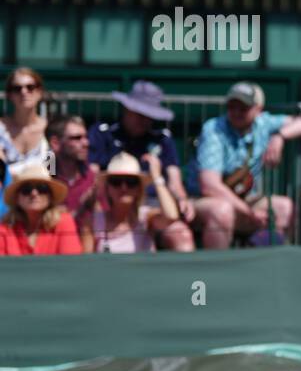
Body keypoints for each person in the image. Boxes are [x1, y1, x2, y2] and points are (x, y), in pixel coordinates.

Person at [189, 82, 301, 249]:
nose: (236, 112)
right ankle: (217, 272)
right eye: (232, 106)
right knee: (222, 211)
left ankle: (266, 266)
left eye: (243, 108)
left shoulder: (263, 123)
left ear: (258, 109)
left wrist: (280, 137)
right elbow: (210, 186)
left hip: (247, 200)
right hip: (204, 201)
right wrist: (249, 213)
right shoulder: (213, 129)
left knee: (284, 208)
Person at [88, 80, 195, 251]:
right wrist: (103, 215)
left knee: (182, 236)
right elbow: (93, 179)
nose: (144, 120)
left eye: (149, 115)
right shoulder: (103, 134)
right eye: (139, 113)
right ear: (127, 109)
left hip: (153, 208)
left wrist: (182, 199)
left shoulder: (163, 140)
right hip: (111, 206)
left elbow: (175, 183)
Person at [80, 152, 179, 253]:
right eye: (116, 181)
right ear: (107, 188)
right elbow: (87, 263)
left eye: (131, 181)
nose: (124, 187)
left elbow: (171, 216)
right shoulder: (92, 222)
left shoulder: (147, 218)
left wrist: (157, 178)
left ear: (139, 189)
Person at [0, 166, 81, 256]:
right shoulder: (5, 229)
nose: (34, 193)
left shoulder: (64, 222)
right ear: (17, 198)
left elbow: (70, 264)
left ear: (50, 196)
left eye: (42, 188)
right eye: (26, 189)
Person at [1, 67, 52, 174]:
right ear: (9, 95)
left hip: (41, 189)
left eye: (30, 87)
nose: (24, 92)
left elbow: (51, 172)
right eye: (17, 88)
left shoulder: (50, 129)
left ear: (40, 92)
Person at [48, 115, 96, 226]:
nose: (86, 143)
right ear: (55, 143)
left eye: (85, 137)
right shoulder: (44, 180)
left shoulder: (93, 178)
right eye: (77, 138)